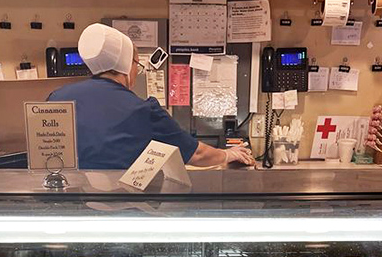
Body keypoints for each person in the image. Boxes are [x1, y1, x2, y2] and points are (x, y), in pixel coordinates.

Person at [48, 23, 255, 170]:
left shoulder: (57, 98)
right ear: (127, 65)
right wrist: (228, 154)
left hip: (72, 207)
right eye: (136, 65)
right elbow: (196, 154)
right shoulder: (143, 109)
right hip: (124, 209)